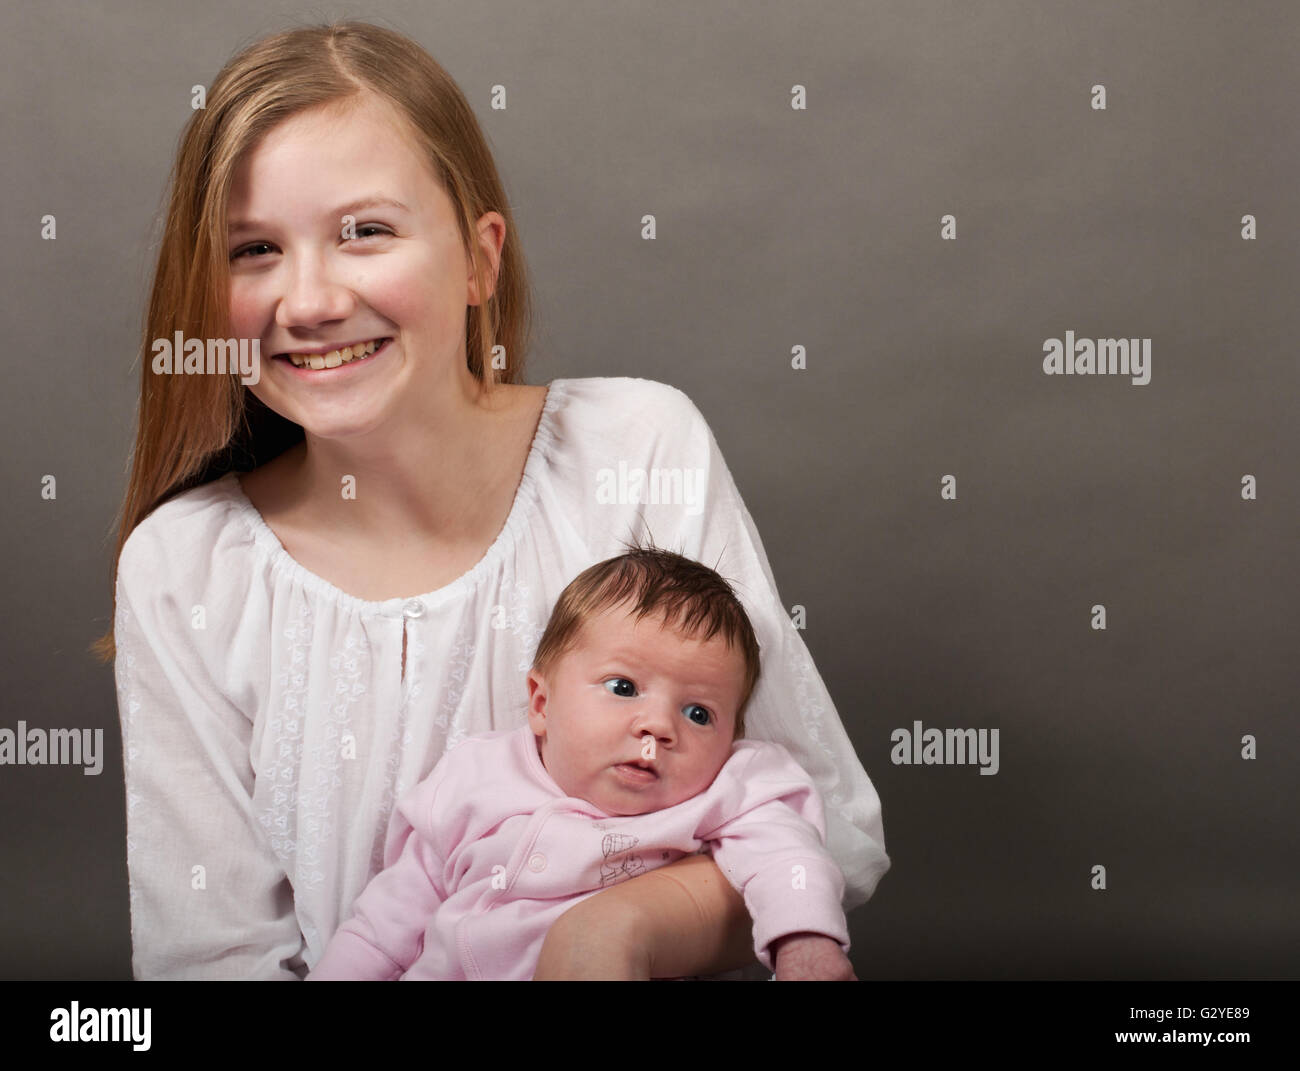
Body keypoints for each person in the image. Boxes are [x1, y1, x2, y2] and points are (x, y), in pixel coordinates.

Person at [96, 20, 890, 980]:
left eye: (365, 231)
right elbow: (210, 955)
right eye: (254, 249)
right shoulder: (183, 567)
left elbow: (816, 829)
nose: (305, 302)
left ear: (480, 260)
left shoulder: (637, 449)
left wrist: (610, 931)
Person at [310, 547, 854, 981]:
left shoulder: (731, 787)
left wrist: (805, 942)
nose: (658, 726)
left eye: (698, 713)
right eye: (623, 688)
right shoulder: (474, 778)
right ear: (542, 705)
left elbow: (786, 857)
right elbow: (384, 925)